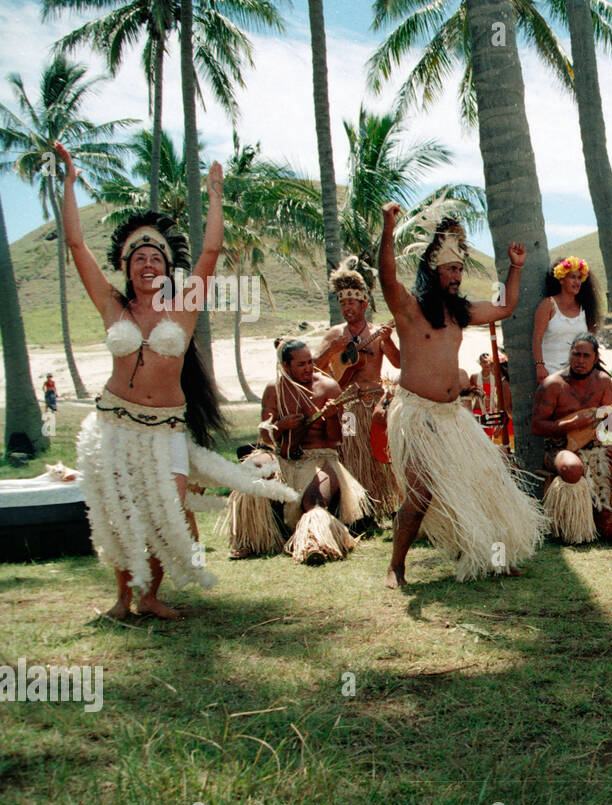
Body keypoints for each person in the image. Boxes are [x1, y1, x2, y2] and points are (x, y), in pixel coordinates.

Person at [58, 142, 296, 619]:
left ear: (167, 268)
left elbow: (211, 250)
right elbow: (77, 246)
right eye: (138, 258)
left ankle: (151, 592)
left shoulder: (183, 308)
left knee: (168, 506)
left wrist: (214, 196)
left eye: (156, 258)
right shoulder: (113, 307)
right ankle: (128, 598)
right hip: (115, 424)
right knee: (123, 512)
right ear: (126, 268)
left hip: (164, 427)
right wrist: (68, 185)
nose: (148, 265)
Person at [377, 206, 545, 587]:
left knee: (491, 483)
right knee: (420, 493)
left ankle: (499, 560)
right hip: (417, 415)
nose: (456, 276)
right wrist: (388, 229)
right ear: (432, 270)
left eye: (459, 270)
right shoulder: (408, 310)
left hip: (453, 415)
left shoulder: (461, 313)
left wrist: (515, 268)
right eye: (450, 270)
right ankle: (396, 566)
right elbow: (387, 276)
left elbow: (506, 307)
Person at [251, 339, 374, 564]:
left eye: (310, 362)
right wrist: (281, 426)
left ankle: (315, 544)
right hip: (284, 457)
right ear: (285, 366)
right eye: (301, 364)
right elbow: (265, 436)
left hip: (322, 458)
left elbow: (344, 435)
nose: (308, 368)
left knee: (314, 500)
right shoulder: (273, 389)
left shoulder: (328, 387)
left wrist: (330, 419)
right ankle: (251, 540)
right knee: (251, 471)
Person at [531, 333, 612, 546]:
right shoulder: (552, 385)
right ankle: (575, 528)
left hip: (595, 446)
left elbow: (610, 422)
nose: (580, 360)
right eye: (576, 354)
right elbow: (537, 426)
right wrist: (571, 424)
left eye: (585, 356)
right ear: (570, 355)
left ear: (595, 357)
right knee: (572, 467)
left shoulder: (603, 382)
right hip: (560, 448)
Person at [313, 256, 401, 517]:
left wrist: (390, 341)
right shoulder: (334, 334)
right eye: (342, 303)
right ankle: (358, 508)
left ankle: (387, 502)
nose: (346, 308)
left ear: (364, 304)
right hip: (348, 407)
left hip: (375, 403)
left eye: (351, 302)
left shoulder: (377, 332)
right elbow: (314, 368)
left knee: (380, 451)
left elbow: (397, 363)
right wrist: (332, 348)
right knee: (352, 452)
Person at [532, 256, 600, 382]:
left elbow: (590, 342)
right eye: (572, 277)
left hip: (577, 374)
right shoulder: (548, 305)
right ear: (561, 279)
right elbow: (537, 337)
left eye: (579, 278)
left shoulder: (584, 309)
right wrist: (540, 366)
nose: (577, 282)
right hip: (551, 372)